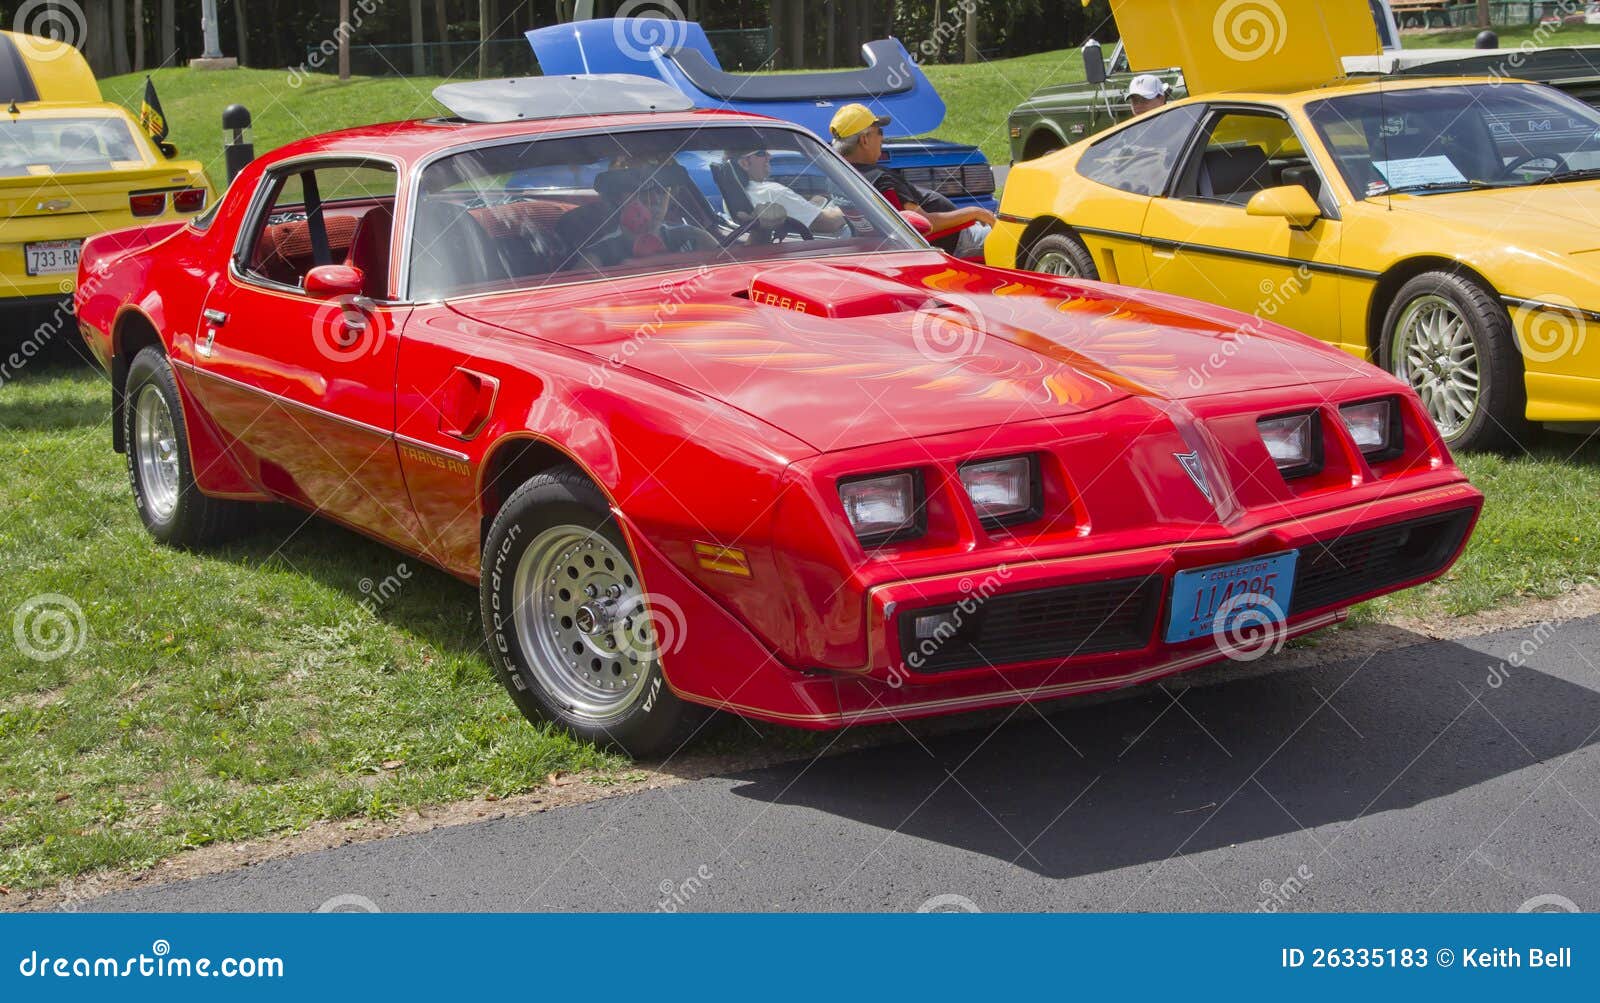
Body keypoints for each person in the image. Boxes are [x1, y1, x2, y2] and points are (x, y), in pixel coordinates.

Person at [829, 103, 994, 258]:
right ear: (864, 140)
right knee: (1014, 236)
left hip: (890, 248)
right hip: (952, 241)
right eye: (880, 132)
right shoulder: (881, 178)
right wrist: (974, 212)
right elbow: (922, 226)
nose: (882, 139)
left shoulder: (840, 177)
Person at [727, 144, 847, 235]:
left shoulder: (732, 195)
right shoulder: (772, 192)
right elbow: (829, 223)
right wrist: (851, 207)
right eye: (761, 153)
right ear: (744, 163)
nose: (769, 156)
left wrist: (809, 205)